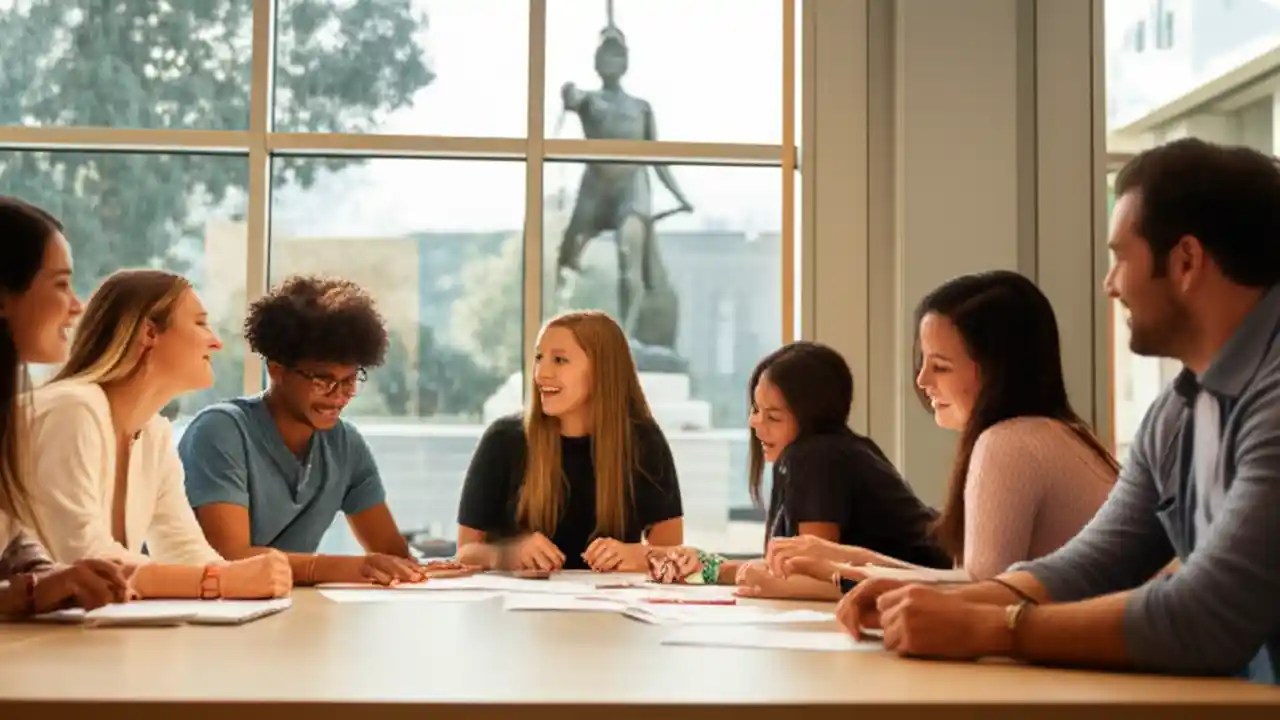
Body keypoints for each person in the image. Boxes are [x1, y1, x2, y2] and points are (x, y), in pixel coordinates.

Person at [838, 138, 1280, 683]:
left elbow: (1207, 616)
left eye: (1121, 258)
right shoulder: (1177, 412)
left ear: (1185, 261)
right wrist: (947, 602)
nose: (1109, 285)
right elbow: (1094, 562)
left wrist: (992, 626)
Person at [773, 272, 1117, 583]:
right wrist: (851, 560)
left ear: (995, 371)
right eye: (923, 363)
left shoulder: (1008, 443)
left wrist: (843, 571)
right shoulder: (1062, 435)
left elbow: (981, 597)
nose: (922, 380)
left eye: (940, 367)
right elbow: (972, 582)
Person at [27, 268, 290, 601]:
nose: (216, 341)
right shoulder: (73, 408)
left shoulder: (153, 433)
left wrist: (246, 578)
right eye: (200, 323)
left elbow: (183, 549)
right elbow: (84, 561)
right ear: (149, 332)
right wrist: (220, 580)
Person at [181, 275, 461, 586]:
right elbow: (230, 558)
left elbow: (391, 554)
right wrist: (345, 568)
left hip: (285, 607)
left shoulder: (345, 445)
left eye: (349, 380)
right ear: (276, 369)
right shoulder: (221, 431)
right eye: (322, 380)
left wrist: (431, 570)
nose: (338, 395)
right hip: (197, 606)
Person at [649, 342, 949, 600]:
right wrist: (709, 567)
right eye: (755, 409)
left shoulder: (817, 456)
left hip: (932, 594)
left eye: (773, 417)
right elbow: (792, 568)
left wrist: (756, 579)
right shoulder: (827, 451)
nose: (755, 423)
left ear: (811, 418)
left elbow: (813, 574)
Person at [456, 310, 683, 572]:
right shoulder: (503, 440)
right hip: (519, 597)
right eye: (539, 358)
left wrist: (639, 556)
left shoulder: (643, 442)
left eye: (559, 360)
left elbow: (673, 554)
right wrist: (506, 555)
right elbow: (464, 553)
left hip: (611, 598)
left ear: (602, 370)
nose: (541, 373)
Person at [0, 196, 134, 615]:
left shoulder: (8, 413)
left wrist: (51, 575)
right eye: (61, 284)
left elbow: (10, 542)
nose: (77, 305)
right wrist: (28, 592)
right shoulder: (74, 407)